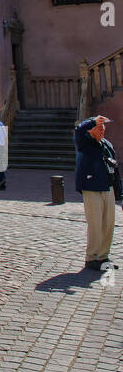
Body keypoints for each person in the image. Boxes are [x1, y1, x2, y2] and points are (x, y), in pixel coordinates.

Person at [74, 115, 121, 272]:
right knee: (95, 224)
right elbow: (79, 131)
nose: (102, 130)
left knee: (108, 224)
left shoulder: (107, 144)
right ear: (91, 130)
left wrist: (120, 194)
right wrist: (93, 121)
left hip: (108, 188)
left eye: (103, 127)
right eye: (98, 127)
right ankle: (92, 258)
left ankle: (103, 256)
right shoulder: (85, 143)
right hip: (92, 188)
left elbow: (115, 170)